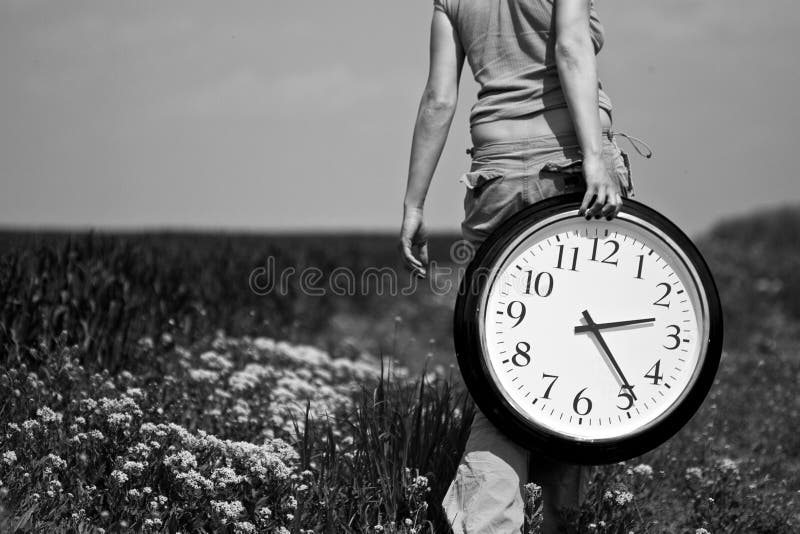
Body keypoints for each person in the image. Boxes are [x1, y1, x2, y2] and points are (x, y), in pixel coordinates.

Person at [399, 1, 645, 532]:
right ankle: (564, 520)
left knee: (502, 364)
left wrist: (414, 204)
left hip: (495, 176)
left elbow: (440, 99)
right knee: (585, 355)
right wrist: (595, 159)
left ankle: (487, 522)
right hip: (572, 169)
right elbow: (570, 48)